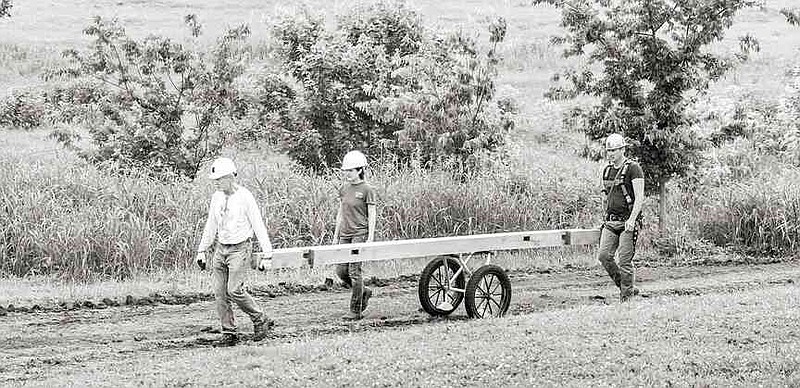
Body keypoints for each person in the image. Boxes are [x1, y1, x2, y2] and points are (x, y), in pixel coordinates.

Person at [196, 157, 274, 345]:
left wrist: (267, 253)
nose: (216, 183)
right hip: (221, 248)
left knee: (234, 290)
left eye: (220, 179)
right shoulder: (217, 198)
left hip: (240, 248)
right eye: (215, 180)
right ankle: (229, 332)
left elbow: (258, 224)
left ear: (231, 177)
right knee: (220, 293)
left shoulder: (245, 197)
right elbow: (211, 225)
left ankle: (260, 318)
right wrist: (202, 250)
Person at [597, 134, 645, 302]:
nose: (611, 153)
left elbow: (639, 197)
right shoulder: (607, 170)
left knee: (624, 261)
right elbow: (605, 193)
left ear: (622, 149)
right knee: (604, 256)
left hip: (627, 221)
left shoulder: (633, 168)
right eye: (609, 150)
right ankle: (628, 287)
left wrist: (632, 220)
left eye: (614, 150)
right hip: (611, 221)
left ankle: (626, 299)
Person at [333, 150, 376, 320]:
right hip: (345, 233)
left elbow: (372, 213)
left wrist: (370, 237)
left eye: (350, 171)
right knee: (341, 271)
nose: (347, 174)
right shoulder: (343, 189)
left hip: (360, 233)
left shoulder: (367, 189)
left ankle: (355, 309)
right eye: (345, 171)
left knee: (354, 272)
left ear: (359, 170)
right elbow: (340, 213)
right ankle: (363, 291)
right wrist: (336, 236)